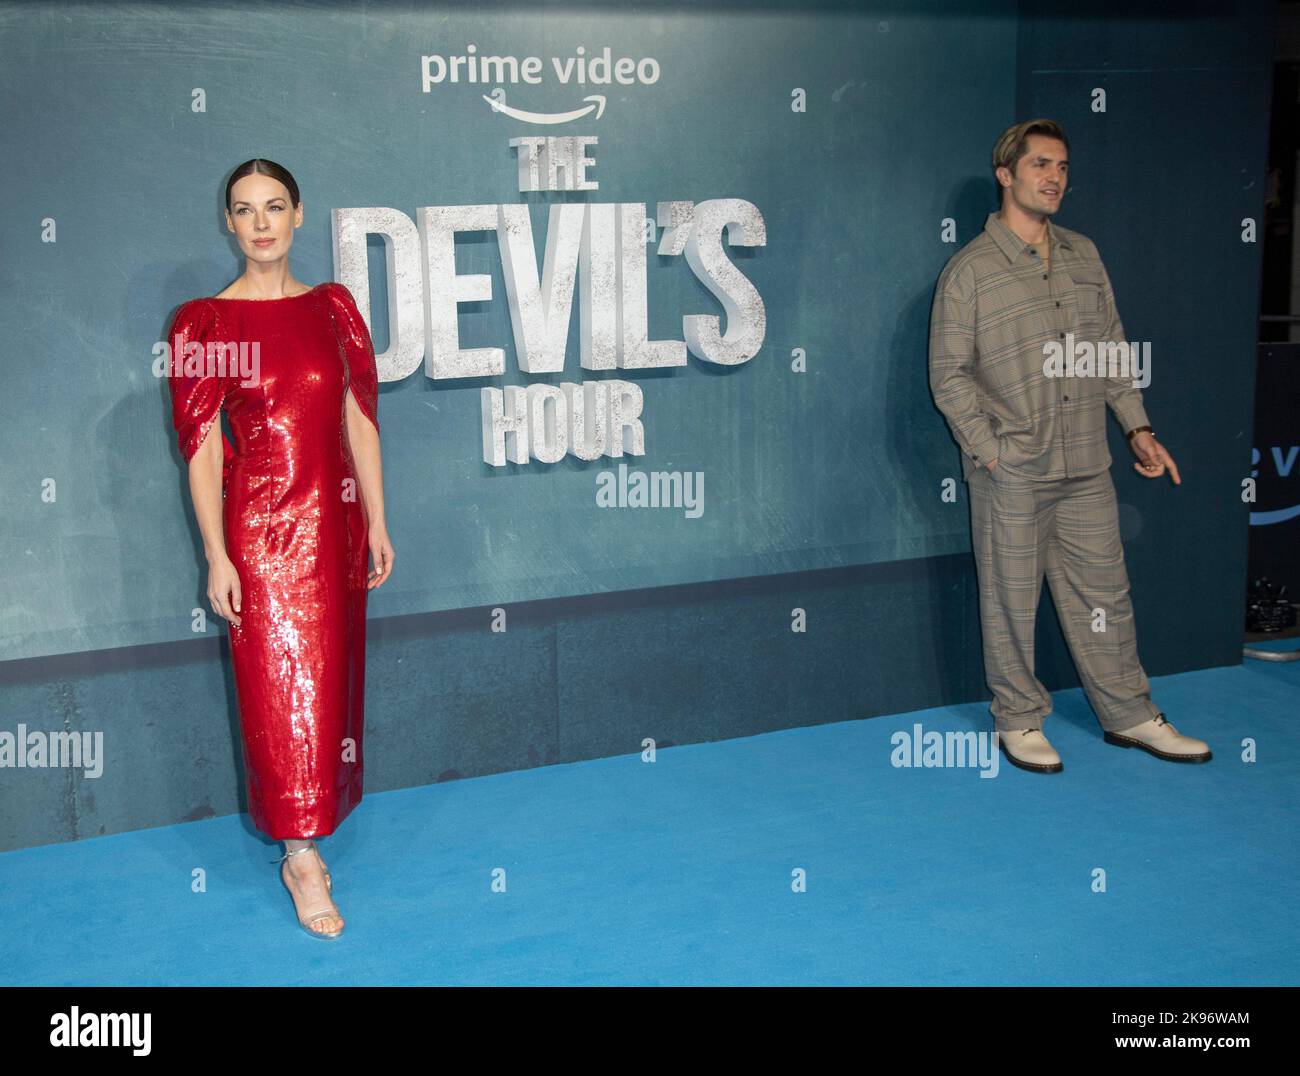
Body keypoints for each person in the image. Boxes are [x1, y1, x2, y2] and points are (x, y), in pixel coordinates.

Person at [927, 119, 1210, 773]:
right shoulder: (969, 271)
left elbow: (1110, 349)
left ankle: (1131, 715)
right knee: (1010, 600)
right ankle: (1019, 720)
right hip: (1013, 469)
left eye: (1061, 167)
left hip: (1087, 462)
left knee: (1105, 598)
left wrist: (1138, 428)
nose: (1055, 177)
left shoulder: (1084, 255)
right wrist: (990, 451)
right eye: (1041, 165)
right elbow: (948, 375)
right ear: (1007, 175)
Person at [167, 159, 395, 934]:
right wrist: (216, 555)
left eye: (274, 207)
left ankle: (316, 829)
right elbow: (200, 448)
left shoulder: (335, 311)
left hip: (335, 528)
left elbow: (359, 419)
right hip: (260, 536)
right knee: (277, 692)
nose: (260, 222)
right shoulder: (206, 325)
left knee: (328, 685)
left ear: (299, 215)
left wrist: (379, 519)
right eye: (243, 209)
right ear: (227, 223)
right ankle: (301, 857)